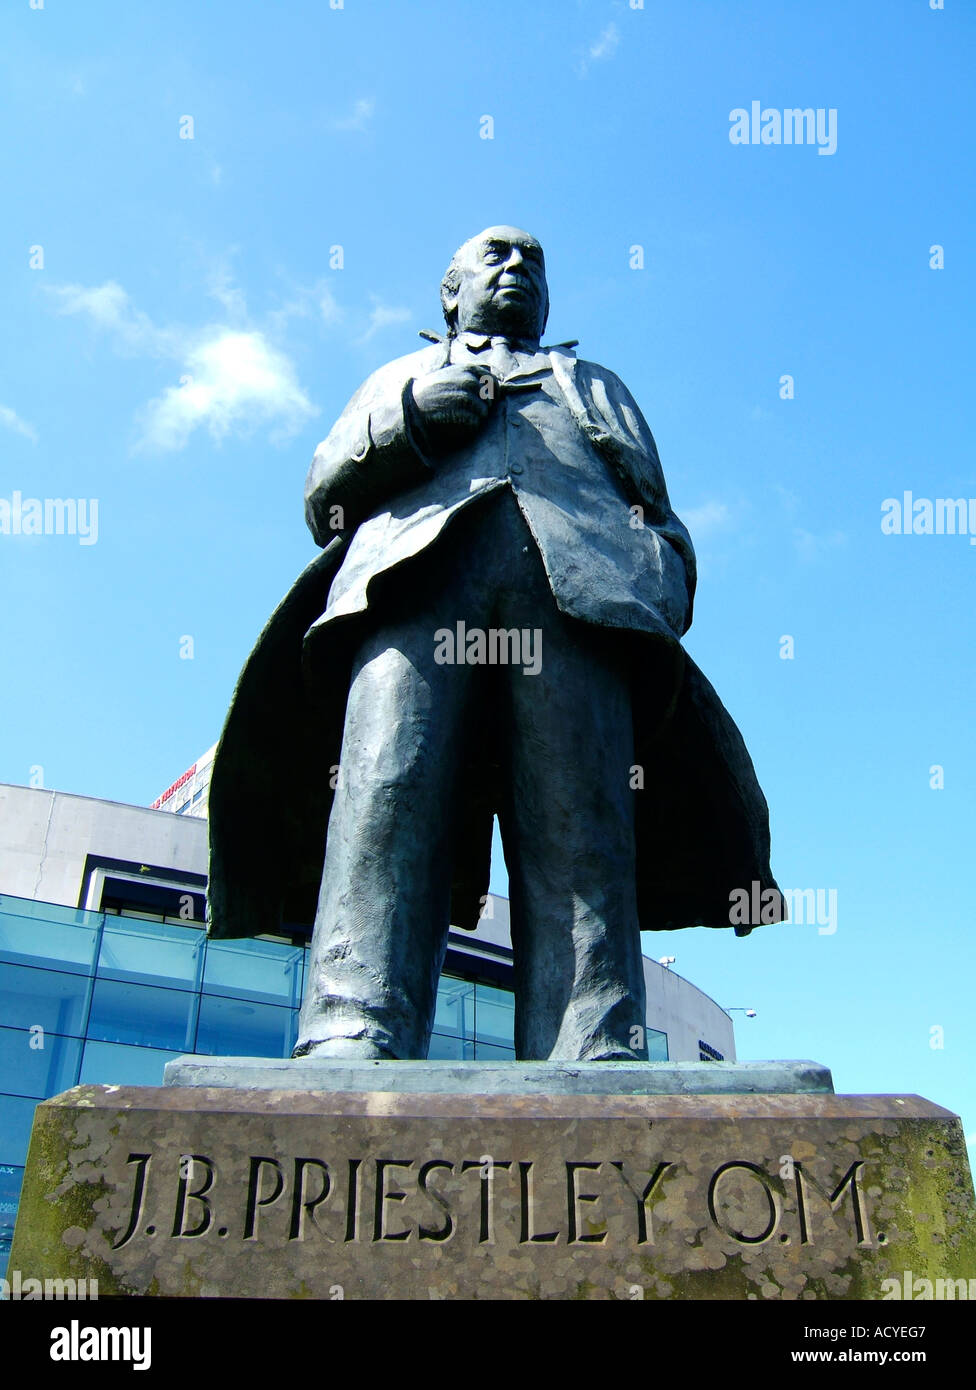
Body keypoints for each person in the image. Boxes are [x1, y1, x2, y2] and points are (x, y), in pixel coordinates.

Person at [206, 226, 783, 1061]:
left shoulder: (594, 385)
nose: (517, 271)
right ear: (450, 292)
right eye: (496, 258)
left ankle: (594, 1040)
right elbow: (322, 492)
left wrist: (654, 584)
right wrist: (411, 420)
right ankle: (352, 1020)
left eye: (534, 262)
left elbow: (662, 515)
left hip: (574, 607)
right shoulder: (402, 374)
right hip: (410, 591)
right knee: (385, 792)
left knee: (581, 817)